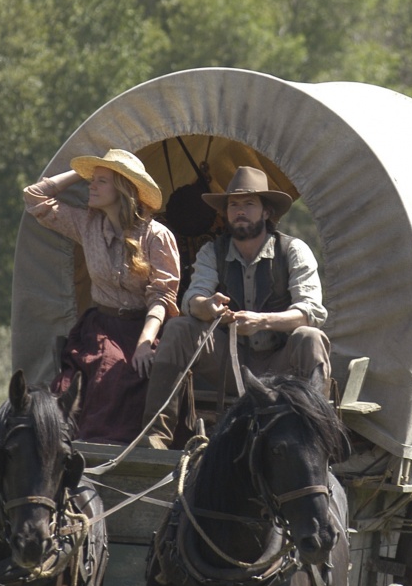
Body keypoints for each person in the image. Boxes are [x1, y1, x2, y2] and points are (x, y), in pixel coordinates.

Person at [142, 165, 330, 448]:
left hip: (282, 364)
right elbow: (192, 300)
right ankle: (156, 434)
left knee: (310, 337)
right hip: (231, 362)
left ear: (266, 212)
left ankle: (314, 436)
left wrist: (262, 321)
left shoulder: (292, 250)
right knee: (180, 327)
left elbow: (310, 312)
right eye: (233, 205)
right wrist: (210, 307)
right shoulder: (212, 252)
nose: (239, 211)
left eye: (249, 204)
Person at [23, 148, 179, 442]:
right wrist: (80, 172)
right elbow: (34, 198)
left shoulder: (156, 235)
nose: (91, 186)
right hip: (100, 327)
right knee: (76, 382)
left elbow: (162, 296)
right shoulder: (87, 225)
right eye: (92, 180)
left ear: (123, 189)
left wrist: (146, 342)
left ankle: (109, 451)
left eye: (101, 181)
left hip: (143, 328)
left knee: (121, 372)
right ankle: (69, 447)